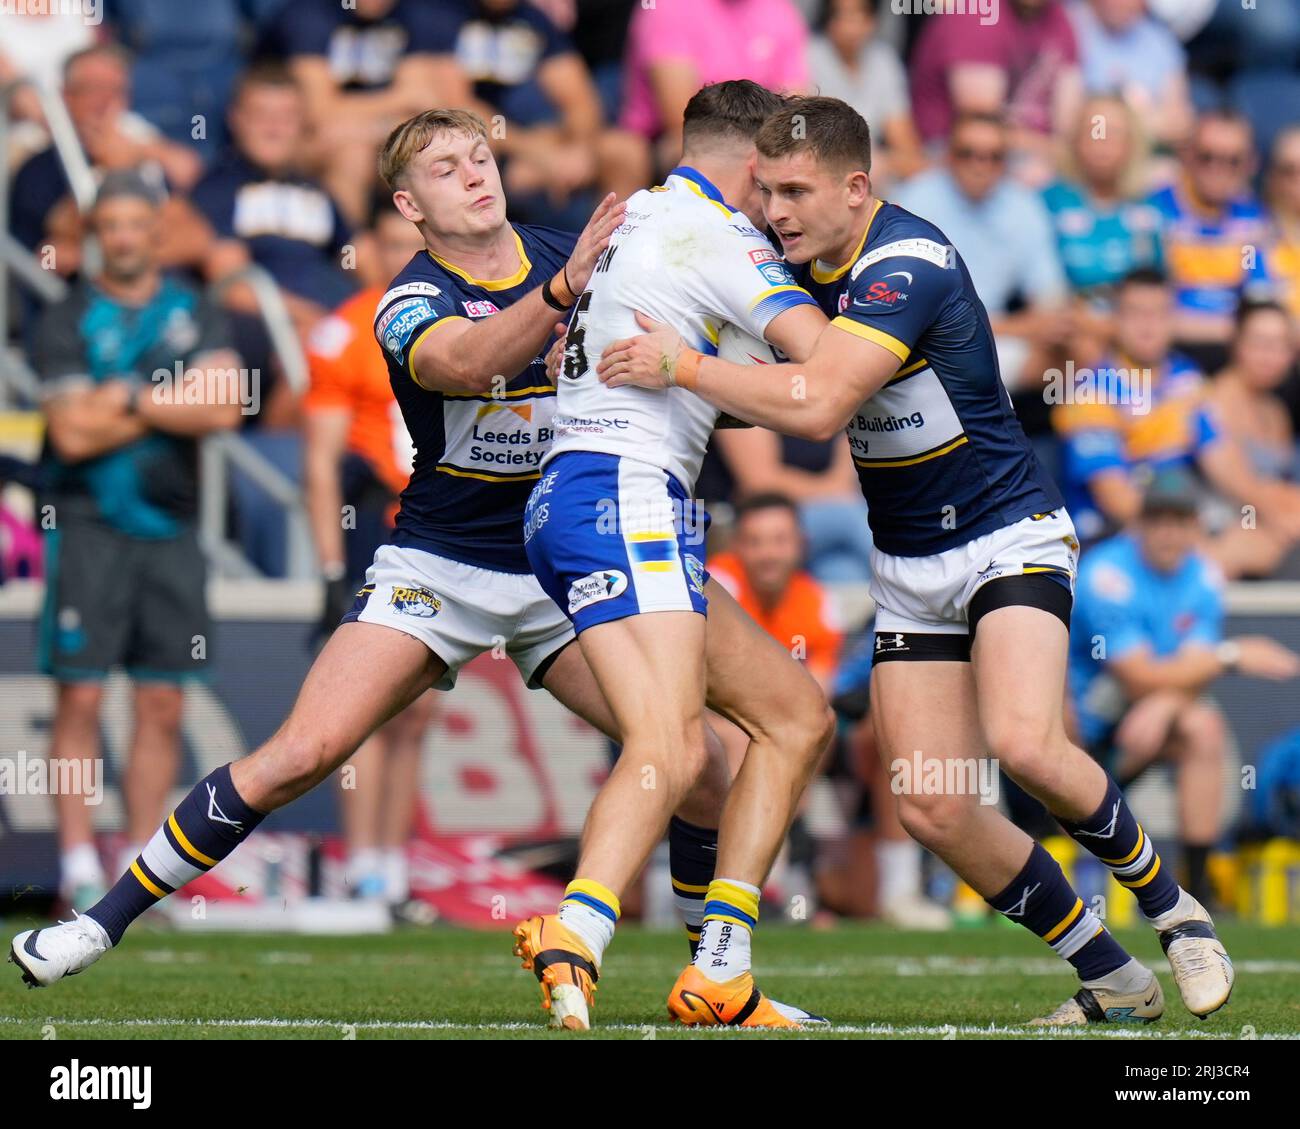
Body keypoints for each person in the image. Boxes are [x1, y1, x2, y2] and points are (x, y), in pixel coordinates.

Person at [10, 109, 815, 1032]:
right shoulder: (414, 296)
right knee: (300, 755)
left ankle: (711, 978)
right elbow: (467, 362)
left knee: (699, 757)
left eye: (481, 156)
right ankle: (98, 923)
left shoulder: (576, 249)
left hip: (572, 554)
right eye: (445, 168)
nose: (475, 174)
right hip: (446, 563)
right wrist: (562, 292)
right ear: (408, 203)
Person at [600, 95, 1236, 1025]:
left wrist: (684, 368)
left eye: (795, 191)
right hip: (907, 563)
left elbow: (816, 404)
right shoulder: (784, 270)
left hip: (1004, 532)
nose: (774, 210)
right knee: (931, 805)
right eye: (766, 189)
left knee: (1023, 743)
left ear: (857, 188)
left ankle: (1176, 913)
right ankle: (1109, 973)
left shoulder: (911, 261)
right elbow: (765, 388)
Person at [520, 80, 835, 1030]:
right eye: (777, 182)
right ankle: (575, 931)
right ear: (751, 164)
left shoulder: (633, 220)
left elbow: (717, 388)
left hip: (588, 489)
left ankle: (720, 967)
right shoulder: (718, 235)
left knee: (794, 718)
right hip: (625, 490)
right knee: (674, 740)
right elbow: (824, 367)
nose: (782, 205)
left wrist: (706, 374)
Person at [28, 172, 243, 910]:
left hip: (171, 528)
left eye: (133, 224)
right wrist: (168, 399)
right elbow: (70, 432)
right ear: (95, 235)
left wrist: (122, 394)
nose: (121, 237)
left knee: (161, 704)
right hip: (86, 525)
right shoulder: (64, 317)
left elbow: (222, 410)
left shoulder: (196, 309)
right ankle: (76, 862)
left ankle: (134, 868)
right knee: (80, 696)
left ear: (155, 231)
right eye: (108, 225)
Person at [1069, 468, 1300, 904]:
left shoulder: (1202, 575)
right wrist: (1230, 656)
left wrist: (1168, 702)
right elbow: (1134, 675)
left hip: (1148, 725)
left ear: (1196, 526)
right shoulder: (1107, 575)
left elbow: (1190, 666)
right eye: (1157, 520)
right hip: (1085, 729)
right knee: (1171, 713)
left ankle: (1195, 887)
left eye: (1180, 521)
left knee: (1202, 727)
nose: (1169, 533)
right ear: (1139, 523)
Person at [302, 195, 434, 912]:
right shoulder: (343, 332)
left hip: (438, 529)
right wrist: (329, 566)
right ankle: (363, 866)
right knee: (361, 706)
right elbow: (320, 463)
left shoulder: (453, 313)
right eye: (385, 242)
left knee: (417, 710)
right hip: (372, 532)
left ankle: (395, 862)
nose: (396, 255)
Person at [1051, 268, 1300, 573]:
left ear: (1173, 320)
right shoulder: (1091, 390)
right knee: (1240, 549)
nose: (1148, 326)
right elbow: (1118, 500)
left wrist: (1272, 506)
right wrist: (1197, 545)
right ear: (1116, 320)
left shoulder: (1187, 379)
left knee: (1266, 536)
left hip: (1183, 521)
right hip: (1112, 538)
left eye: (1159, 313)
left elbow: (1223, 461)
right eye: (1136, 314)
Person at [895, 112, 1071, 394]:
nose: (980, 166)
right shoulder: (915, 202)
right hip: (930, 342)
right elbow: (915, 313)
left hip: (998, 342)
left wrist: (1046, 323)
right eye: (968, 154)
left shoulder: (1023, 205)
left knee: (1068, 358)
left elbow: (1050, 298)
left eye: (994, 156)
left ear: (1006, 162)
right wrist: (1023, 327)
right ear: (949, 156)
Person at [8, 44, 209, 277]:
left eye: (116, 90)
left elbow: (197, 240)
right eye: (92, 89)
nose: (105, 101)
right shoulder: (41, 169)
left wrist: (87, 257)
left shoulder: (139, 155)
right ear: (66, 96)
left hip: (166, 299)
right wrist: (115, 169)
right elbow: (61, 244)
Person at [267, 0, 464, 223]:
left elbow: (423, 105)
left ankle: (427, 251)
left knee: (424, 149)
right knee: (353, 156)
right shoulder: (309, 15)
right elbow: (317, 113)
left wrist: (365, 123)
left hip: (368, 132)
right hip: (299, 142)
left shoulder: (416, 14)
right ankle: (350, 247)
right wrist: (398, 99)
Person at [1147, 110, 1273, 374]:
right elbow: (1149, 312)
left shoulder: (1253, 218)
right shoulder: (1155, 211)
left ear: (1250, 165)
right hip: (1169, 350)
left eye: (1233, 161)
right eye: (1207, 157)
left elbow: (1259, 299)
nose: (1218, 169)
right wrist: (1232, 328)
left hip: (1235, 354)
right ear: (1187, 155)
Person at [619, 0, 809, 170]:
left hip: (758, 133)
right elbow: (682, 116)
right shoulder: (667, 5)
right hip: (668, 138)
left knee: (807, 149)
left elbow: (794, 107)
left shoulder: (779, 9)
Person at [908, 0, 1082, 183]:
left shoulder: (1059, 18)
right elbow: (981, 126)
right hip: (951, 152)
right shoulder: (975, 13)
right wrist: (1056, 151)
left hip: (1033, 149)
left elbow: (1068, 122)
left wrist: (1066, 151)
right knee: (1033, 172)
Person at [805, 0, 925, 186]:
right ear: (827, 18)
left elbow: (906, 147)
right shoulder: (808, 56)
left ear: (873, 20)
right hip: (822, 172)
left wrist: (886, 162)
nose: (852, 25)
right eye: (842, 15)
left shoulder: (883, 59)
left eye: (861, 15)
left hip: (877, 172)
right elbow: (809, 142)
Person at [1068, 0, 1193, 149]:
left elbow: (1180, 123)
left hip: (1144, 153)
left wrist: (1124, 125)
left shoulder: (1161, 41)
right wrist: (1141, 120)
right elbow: (1072, 119)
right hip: (1088, 148)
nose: (1122, 3)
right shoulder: (1072, 25)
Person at [1264, 126, 1300, 326]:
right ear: (1273, 177)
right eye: (1289, 170)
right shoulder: (1251, 239)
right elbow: (1251, 296)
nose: (1298, 179)